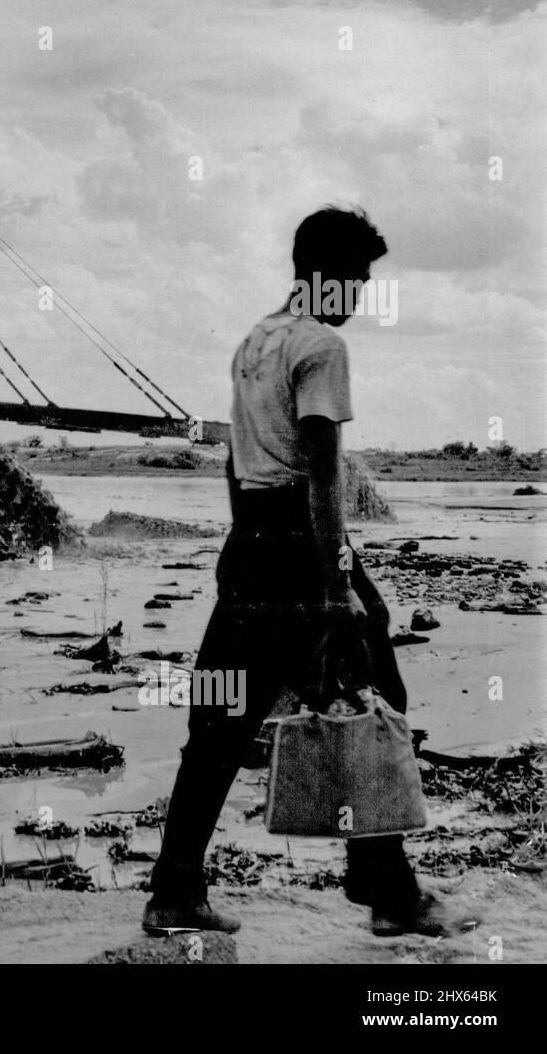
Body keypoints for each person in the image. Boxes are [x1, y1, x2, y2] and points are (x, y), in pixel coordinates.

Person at [143, 206, 477, 939]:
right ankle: (388, 892)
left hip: (252, 543)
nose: (358, 296)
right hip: (305, 545)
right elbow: (324, 469)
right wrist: (334, 585)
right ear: (330, 276)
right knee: (373, 701)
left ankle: (174, 891)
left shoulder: (254, 342)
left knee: (219, 721)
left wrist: (241, 549)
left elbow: (235, 459)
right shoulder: (320, 346)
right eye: (356, 280)